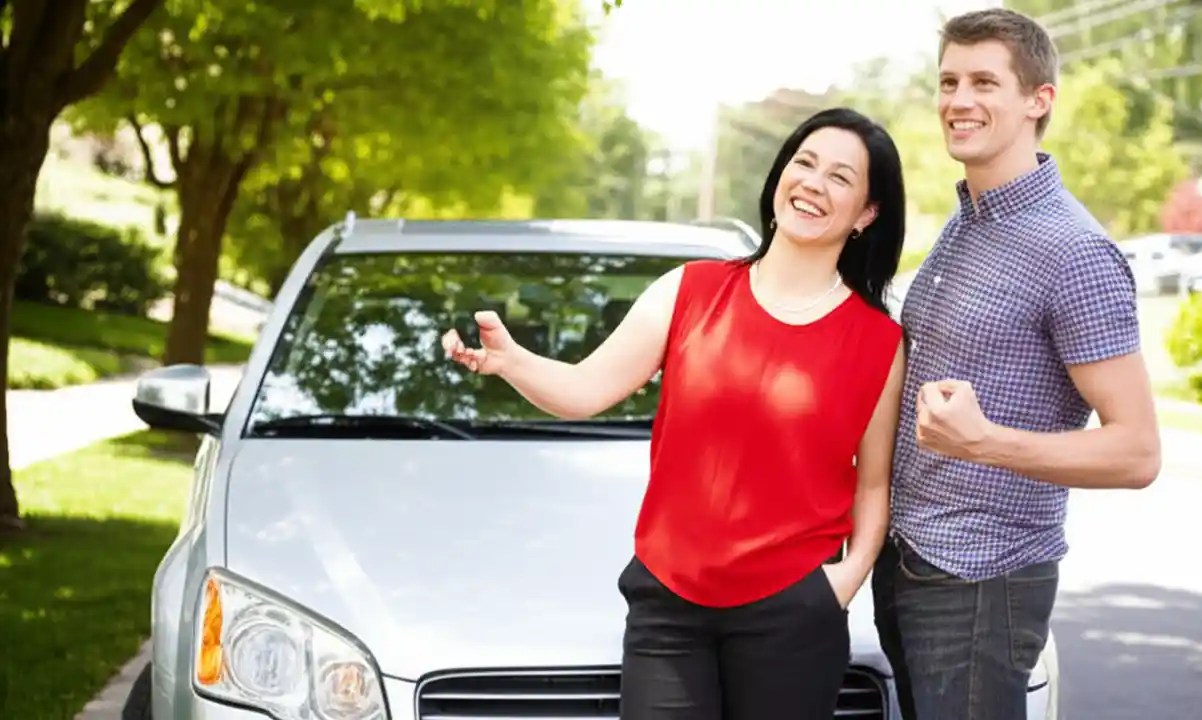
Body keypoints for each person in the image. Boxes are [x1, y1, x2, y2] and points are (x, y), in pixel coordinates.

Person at [442, 107, 908, 719]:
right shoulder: (690, 290)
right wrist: (513, 363)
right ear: (779, 179)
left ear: (867, 214)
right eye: (804, 163)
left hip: (792, 613)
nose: (814, 184)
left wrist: (844, 581)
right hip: (669, 607)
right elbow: (585, 389)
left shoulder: (877, 341)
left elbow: (874, 483)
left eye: (841, 178)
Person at [871, 8, 1163, 720]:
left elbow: (1137, 452)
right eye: (948, 81)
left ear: (1039, 100)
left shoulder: (1074, 253)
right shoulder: (967, 220)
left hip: (981, 580)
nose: (958, 100)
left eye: (983, 82)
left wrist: (985, 443)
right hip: (908, 557)